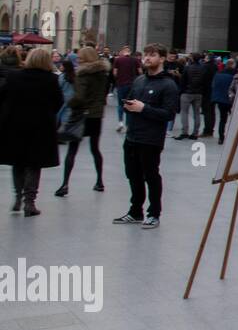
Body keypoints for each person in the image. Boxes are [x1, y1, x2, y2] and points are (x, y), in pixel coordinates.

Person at [112, 43, 180, 227]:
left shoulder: (168, 85)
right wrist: (129, 106)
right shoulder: (139, 80)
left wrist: (144, 108)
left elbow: (168, 114)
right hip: (132, 136)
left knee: (151, 176)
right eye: (146, 55)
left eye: (153, 55)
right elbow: (133, 101)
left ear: (162, 58)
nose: (147, 58)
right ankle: (135, 211)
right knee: (132, 175)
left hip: (150, 139)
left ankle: (154, 213)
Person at [0, 47, 64, 216]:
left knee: (18, 162)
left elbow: (2, 96)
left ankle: (17, 197)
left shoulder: (14, 76)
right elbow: (58, 102)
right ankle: (30, 202)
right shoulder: (51, 79)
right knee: (34, 165)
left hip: (14, 126)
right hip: (40, 127)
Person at [56, 46, 109, 196]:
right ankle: (99, 181)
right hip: (96, 115)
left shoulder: (82, 75)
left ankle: (65, 184)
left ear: (85, 59)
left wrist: (70, 103)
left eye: (79, 58)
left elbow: (79, 97)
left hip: (81, 115)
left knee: (72, 149)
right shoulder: (102, 74)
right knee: (95, 148)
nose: (77, 60)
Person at [176, 52, 206, 140]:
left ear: (192, 58)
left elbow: (183, 81)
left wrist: (181, 91)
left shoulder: (187, 68)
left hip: (187, 92)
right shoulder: (203, 68)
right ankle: (195, 133)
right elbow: (205, 81)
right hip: (198, 93)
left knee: (184, 112)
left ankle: (184, 132)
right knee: (196, 113)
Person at [111, 46, 140, 133]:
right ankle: (128, 125)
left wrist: (119, 77)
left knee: (120, 104)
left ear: (123, 52)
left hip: (121, 84)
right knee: (130, 104)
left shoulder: (118, 60)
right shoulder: (135, 60)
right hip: (132, 85)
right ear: (130, 52)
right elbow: (140, 71)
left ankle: (120, 123)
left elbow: (115, 73)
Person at [211, 60, 234, 144]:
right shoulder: (234, 75)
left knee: (222, 119)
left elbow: (213, 85)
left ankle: (221, 137)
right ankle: (234, 136)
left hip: (221, 100)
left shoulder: (218, 74)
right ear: (232, 65)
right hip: (231, 99)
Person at [199, 53, 218, 136]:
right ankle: (211, 129)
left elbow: (202, 78)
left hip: (206, 91)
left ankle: (207, 130)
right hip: (213, 91)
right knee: (212, 111)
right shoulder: (215, 66)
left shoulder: (205, 66)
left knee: (206, 112)